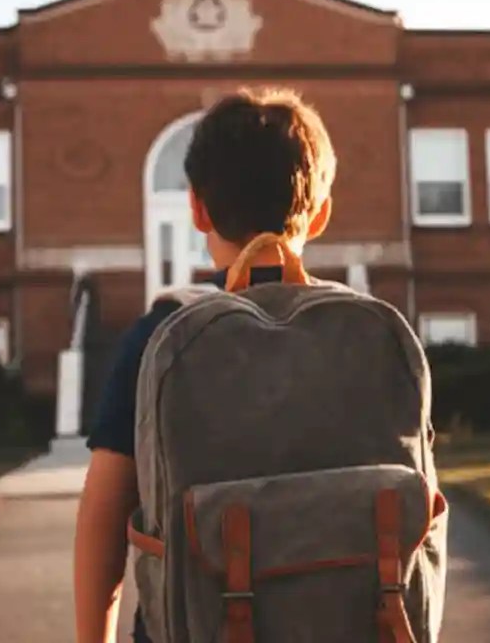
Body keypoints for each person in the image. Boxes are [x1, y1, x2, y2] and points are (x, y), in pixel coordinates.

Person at [72, 87, 337, 643]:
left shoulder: (158, 336)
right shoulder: (366, 331)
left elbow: (103, 518)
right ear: (320, 217)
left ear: (196, 208)